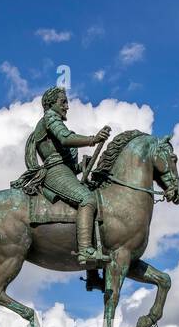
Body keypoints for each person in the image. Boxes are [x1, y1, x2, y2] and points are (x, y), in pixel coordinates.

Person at [12, 86, 111, 266]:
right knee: (87, 200)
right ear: (51, 104)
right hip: (54, 172)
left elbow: (70, 166)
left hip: (63, 171)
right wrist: (93, 139)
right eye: (63, 102)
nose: (67, 106)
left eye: (66, 102)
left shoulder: (56, 121)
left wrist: (82, 166)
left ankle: (94, 270)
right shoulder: (50, 117)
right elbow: (66, 138)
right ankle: (85, 250)